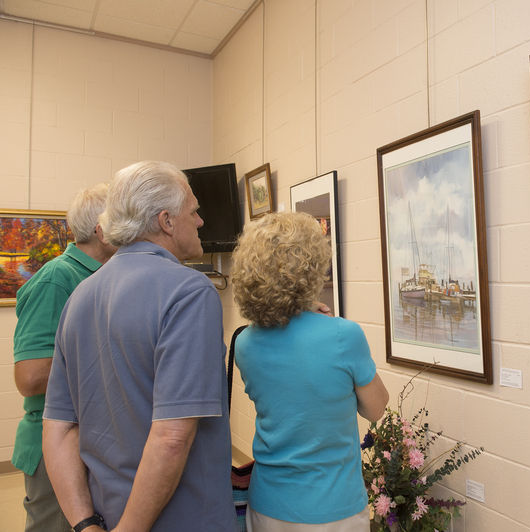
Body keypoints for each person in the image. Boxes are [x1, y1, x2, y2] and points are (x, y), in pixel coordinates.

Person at [42, 161, 237, 532]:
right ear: (166, 221)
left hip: (106, 515)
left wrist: (85, 524)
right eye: (193, 212)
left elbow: (59, 428)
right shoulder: (189, 292)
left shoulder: (81, 295)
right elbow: (171, 437)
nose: (200, 222)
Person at [230, 212, 389, 532]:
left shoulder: (244, 343)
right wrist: (324, 321)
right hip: (334, 509)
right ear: (311, 269)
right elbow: (376, 409)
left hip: (268, 507)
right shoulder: (343, 335)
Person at [13, 183, 118, 532]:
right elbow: (30, 377)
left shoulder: (106, 275)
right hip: (57, 445)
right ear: (102, 230)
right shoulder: (57, 278)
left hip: (93, 441)